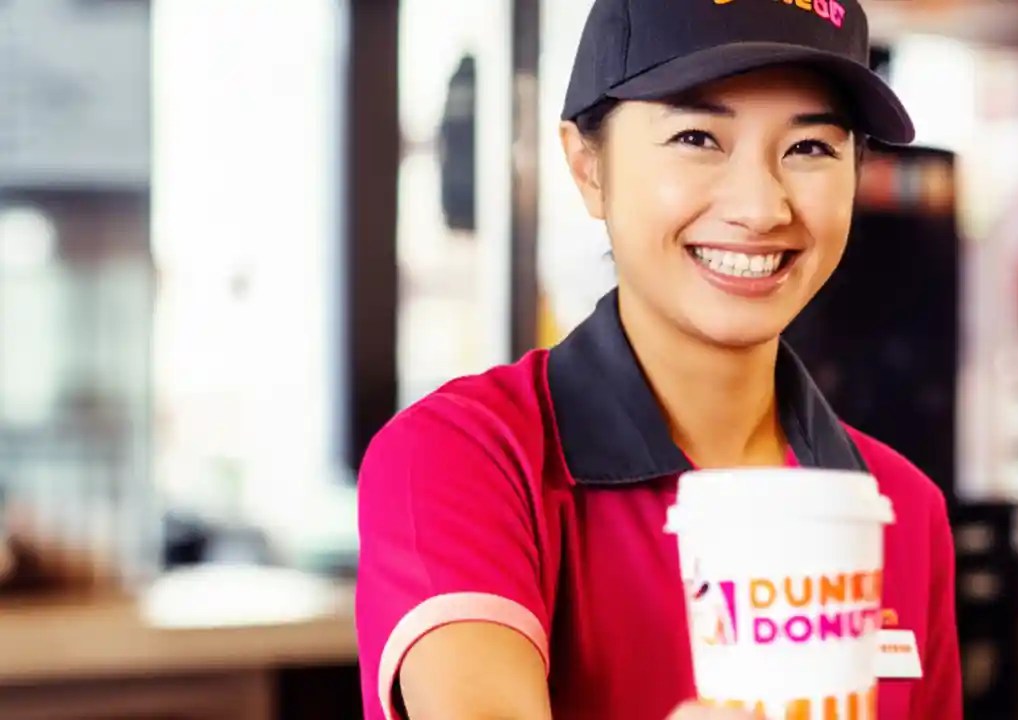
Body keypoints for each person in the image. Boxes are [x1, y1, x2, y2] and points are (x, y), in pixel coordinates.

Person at [356, 0, 962, 718]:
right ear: (588, 167)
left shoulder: (899, 508)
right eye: (697, 137)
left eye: (810, 148)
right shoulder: (467, 458)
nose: (761, 208)